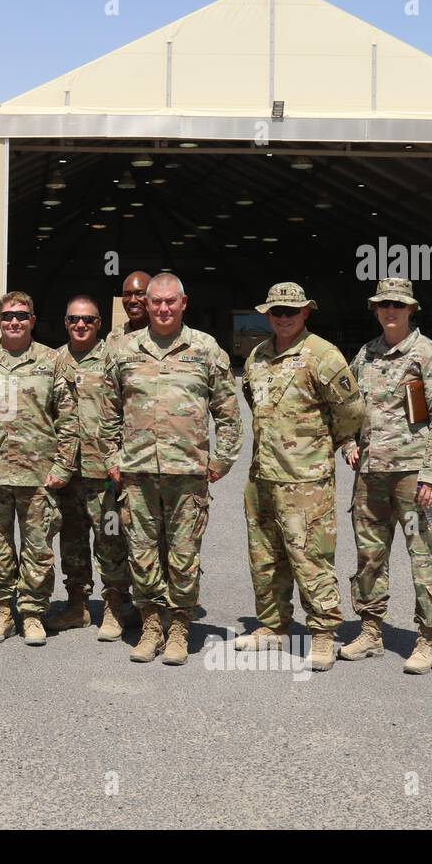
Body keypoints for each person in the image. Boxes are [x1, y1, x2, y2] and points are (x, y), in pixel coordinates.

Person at [104, 273, 242, 665]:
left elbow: (228, 413)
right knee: (142, 553)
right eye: (156, 302)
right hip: (138, 472)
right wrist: (114, 459)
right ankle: (150, 625)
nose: (163, 308)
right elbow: (108, 411)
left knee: (184, 555)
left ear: (184, 303)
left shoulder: (206, 349)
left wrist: (222, 460)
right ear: (145, 305)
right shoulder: (125, 350)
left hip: (188, 475)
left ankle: (180, 626)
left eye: (170, 301)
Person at [237, 282, 364, 671]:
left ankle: (323, 633)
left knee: (310, 556)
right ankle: (274, 625)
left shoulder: (323, 355)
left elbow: (351, 410)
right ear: (268, 315)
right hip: (262, 474)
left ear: (306, 313)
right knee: (266, 556)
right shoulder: (257, 356)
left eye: (291, 311)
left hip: (306, 480)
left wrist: (332, 444)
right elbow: (252, 400)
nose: (284, 317)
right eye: (277, 311)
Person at [340, 277, 432, 674]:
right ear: (375, 310)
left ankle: (427, 639)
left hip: (412, 476)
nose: (391, 311)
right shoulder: (367, 354)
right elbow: (350, 406)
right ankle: (371, 631)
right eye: (384, 305)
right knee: (370, 557)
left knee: (423, 557)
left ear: (411, 310)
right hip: (371, 475)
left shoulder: (426, 354)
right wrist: (348, 444)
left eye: (398, 305)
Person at [0, 292, 77, 645]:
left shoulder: (51, 361)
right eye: (8, 315)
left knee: (38, 549)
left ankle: (32, 612)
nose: (15, 321)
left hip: (38, 475)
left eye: (22, 315)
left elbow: (68, 418)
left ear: (33, 319)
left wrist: (62, 466)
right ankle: (1, 611)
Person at [48, 295, 132, 640]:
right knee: (72, 541)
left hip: (105, 475)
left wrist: (123, 459)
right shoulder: (53, 361)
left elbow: (129, 409)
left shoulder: (115, 360)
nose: (80, 325)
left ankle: (114, 606)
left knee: (110, 539)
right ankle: (77, 606)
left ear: (99, 324)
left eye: (88, 320)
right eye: (73, 320)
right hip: (68, 473)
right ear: (65, 322)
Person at [109, 271, 151, 344]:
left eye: (140, 294)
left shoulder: (164, 333)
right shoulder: (114, 336)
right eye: (127, 294)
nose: (132, 300)